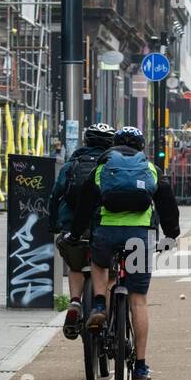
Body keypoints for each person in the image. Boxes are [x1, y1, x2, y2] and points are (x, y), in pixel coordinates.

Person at [71, 129, 181, 380]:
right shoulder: (150, 169)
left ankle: (99, 304)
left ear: (115, 146)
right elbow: (167, 204)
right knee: (138, 300)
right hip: (139, 237)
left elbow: (85, 202)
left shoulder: (104, 166)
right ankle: (140, 368)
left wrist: (76, 233)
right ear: (141, 147)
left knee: (98, 263)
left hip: (107, 232)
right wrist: (171, 235)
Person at [50, 122, 115, 338]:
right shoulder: (112, 166)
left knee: (76, 266)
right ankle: (101, 312)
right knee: (108, 271)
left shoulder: (72, 164)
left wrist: (54, 224)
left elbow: (56, 194)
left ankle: (75, 303)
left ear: (86, 141)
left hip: (73, 226)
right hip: (103, 226)